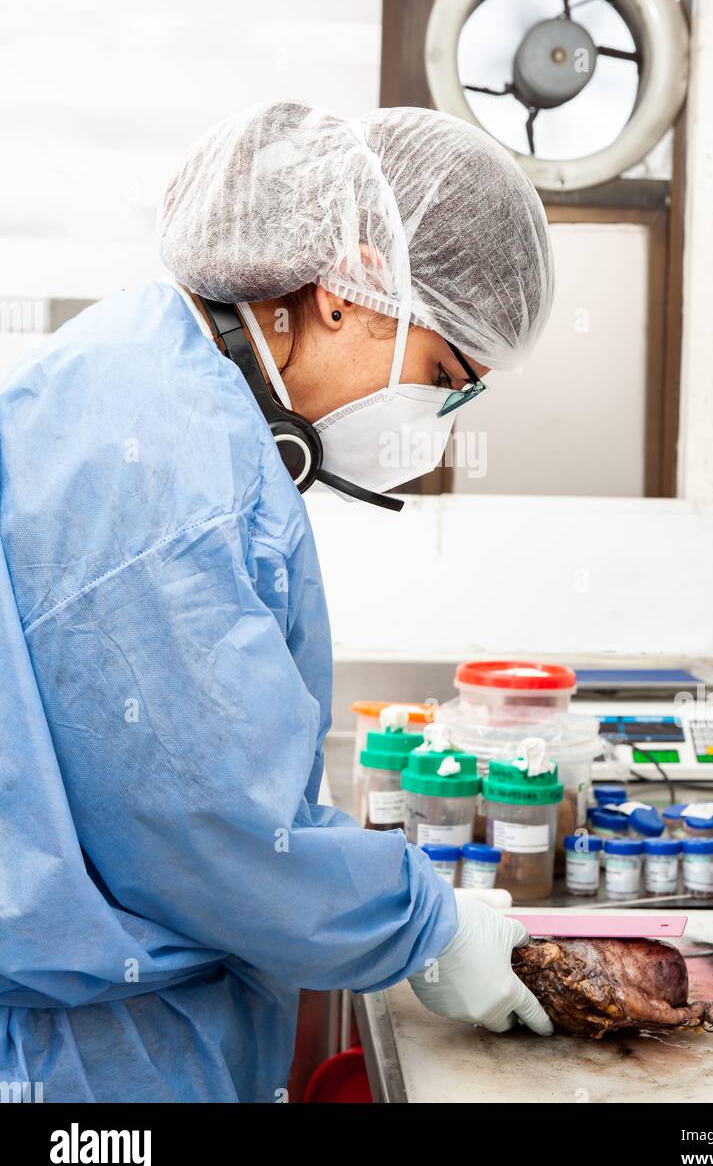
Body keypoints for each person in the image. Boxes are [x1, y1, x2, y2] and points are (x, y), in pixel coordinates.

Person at [0, 102, 555, 1103]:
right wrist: (423, 924)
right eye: (442, 376)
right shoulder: (160, 445)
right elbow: (206, 827)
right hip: (83, 1061)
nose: (433, 421)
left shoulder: (172, 387)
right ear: (351, 286)